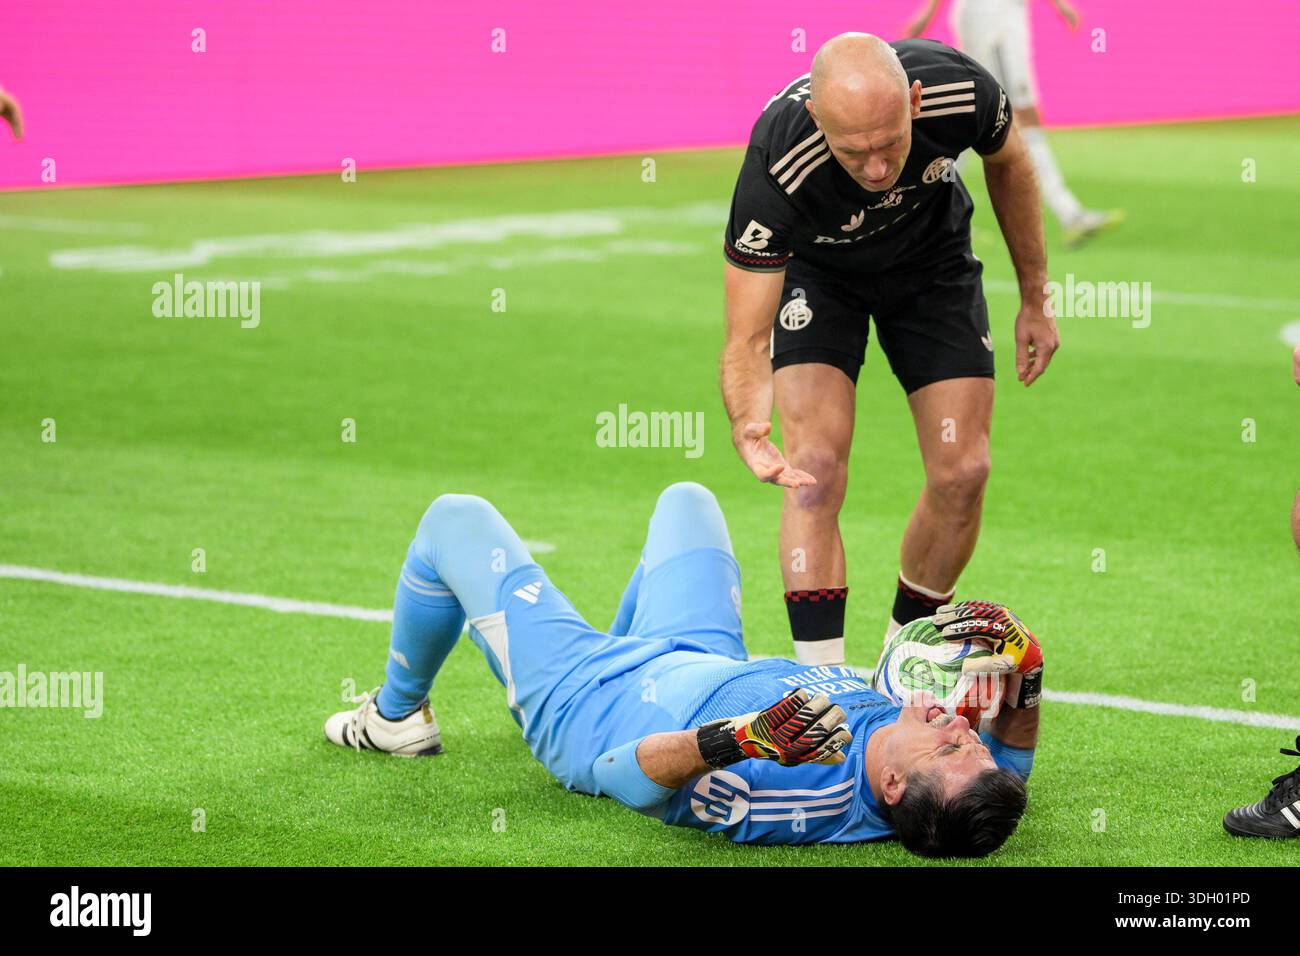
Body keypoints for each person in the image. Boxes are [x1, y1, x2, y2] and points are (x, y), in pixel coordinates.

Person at [323, 481, 1042, 857]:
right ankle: (618, 639)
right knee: (688, 500)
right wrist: (1027, 666)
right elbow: (1011, 764)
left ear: (890, 785)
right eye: (969, 743)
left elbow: (617, 775)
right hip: (699, 653)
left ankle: (395, 717)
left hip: (588, 699)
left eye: (951, 745)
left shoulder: (790, 794)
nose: (960, 725)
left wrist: (741, 740)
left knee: (454, 517)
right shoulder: (947, 787)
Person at [720, 33, 1058, 666]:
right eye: (854, 152)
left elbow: (1010, 161)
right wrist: (747, 420)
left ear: (915, 99)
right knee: (812, 470)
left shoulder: (962, 89)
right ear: (819, 120)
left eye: (890, 144)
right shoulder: (777, 156)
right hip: (819, 278)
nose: (876, 170)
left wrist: (1035, 297)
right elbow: (746, 335)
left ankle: (904, 661)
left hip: (932, 267)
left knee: (964, 471)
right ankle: (825, 685)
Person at [904, 0, 1121, 246]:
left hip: (1003, 16)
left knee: (980, 117)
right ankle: (1070, 214)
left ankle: (934, 218)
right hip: (992, 20)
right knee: (1010, 114)